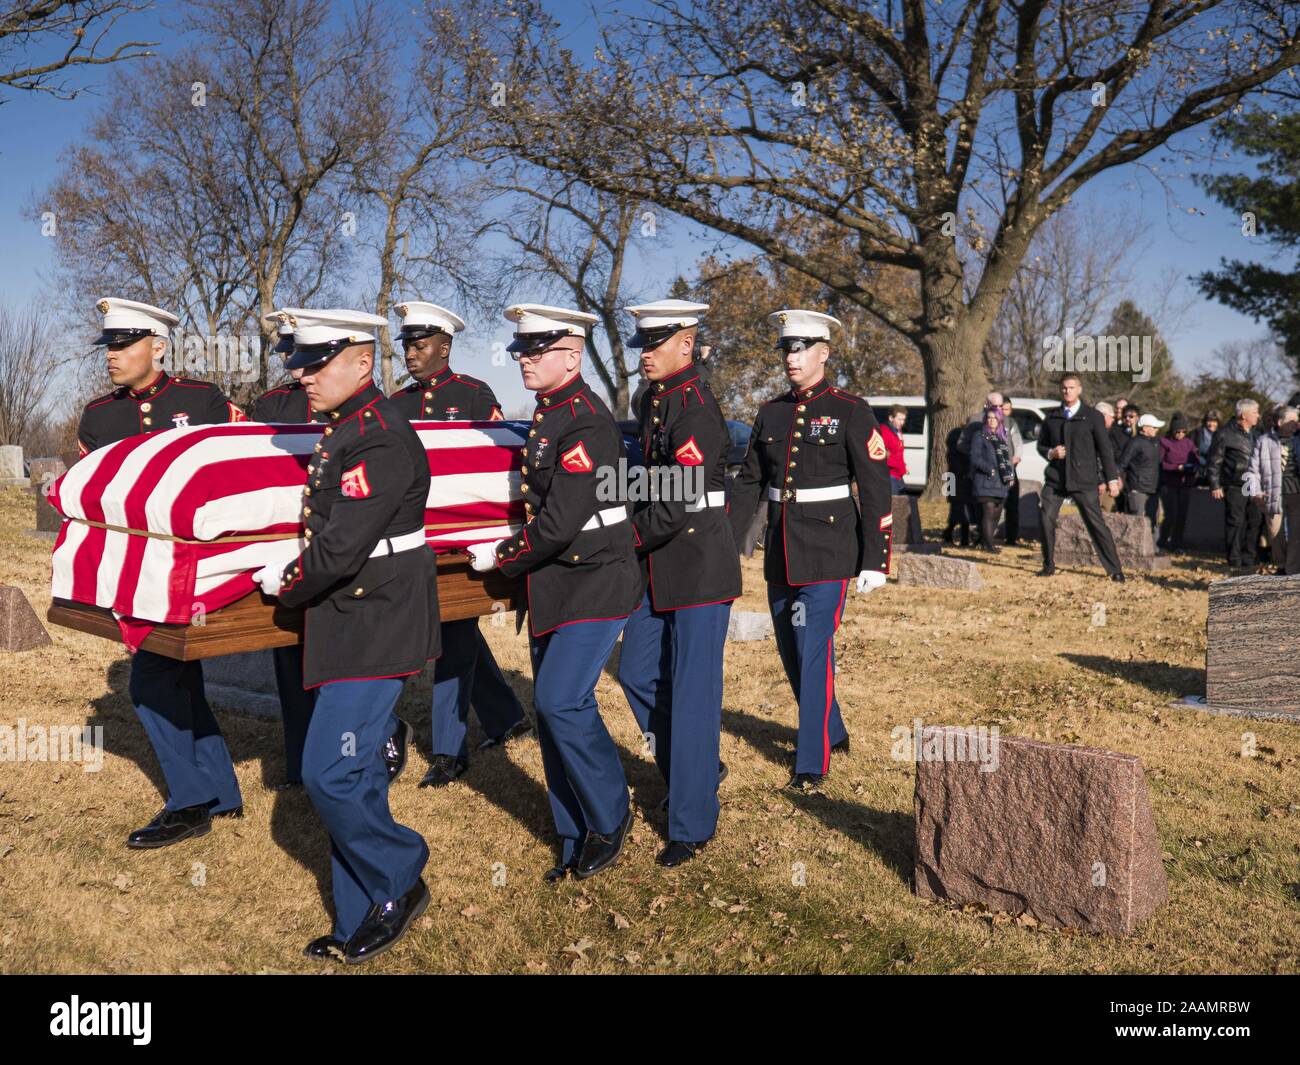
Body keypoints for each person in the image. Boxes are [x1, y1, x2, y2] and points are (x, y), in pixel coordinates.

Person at [255, 308, 438, 964]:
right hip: (349, 616)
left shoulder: (378, 437)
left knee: (325, 771)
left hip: (378, 621)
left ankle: (402, 871)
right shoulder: (345, 428)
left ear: (362, 361)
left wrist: (286, 577)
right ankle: (361, 912)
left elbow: (336, 550)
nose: (302, 374)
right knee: (352, 770)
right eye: (300, 361)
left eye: (317, 360)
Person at [468, 303, 642, 882]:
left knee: (561, 701)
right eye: (521, 350)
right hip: (558, 580)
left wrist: (503, 555)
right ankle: (572, 831)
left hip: (594, 576)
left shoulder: (585, 421)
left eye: (536, 351)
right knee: (551, 711)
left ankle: (611, 814)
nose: (523, 360)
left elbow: (561, 521)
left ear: (571, 356)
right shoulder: (550, 414)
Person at [77, 298, 248, 849]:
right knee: (173, 677)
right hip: (137, 572)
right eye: (109, 347)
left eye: (124, 345)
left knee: (151, 684)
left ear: (158, 346)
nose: (113, 356)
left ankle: (190, 801)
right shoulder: (98, 416)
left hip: (199, 570)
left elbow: (240, 469)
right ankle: (218, 793)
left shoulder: (202, 400)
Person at [728, 309, 892, 789]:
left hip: (830, 550)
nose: (791, 358)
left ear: (823, 353)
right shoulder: (771, 411)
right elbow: (751, 481)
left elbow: (875, 486)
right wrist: (723, 538)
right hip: (782, 547)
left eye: (800, 349)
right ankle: (833, 728)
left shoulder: (850, 409)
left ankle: (812, 761)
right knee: (791, 652)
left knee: (813, 648)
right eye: (786, 349)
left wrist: (875, 558)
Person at [385, 300, 531, 788]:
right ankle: (507, 717)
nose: (410, 352)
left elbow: (494, 469)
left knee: (452, 639)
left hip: (460, 546)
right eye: (406, 344)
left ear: (444, 348)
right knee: (456, 636)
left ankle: (449, 751)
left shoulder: (473, 395)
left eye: (420, 344)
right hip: (411, 539)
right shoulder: (398, 404)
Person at [615, 299, 739, 867]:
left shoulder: (694, 409)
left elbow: (682, 498)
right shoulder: (655, 401)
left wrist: (626, 538)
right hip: (658, 560)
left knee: (691, 696)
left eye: (656, 343)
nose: (645, 354)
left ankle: (691, 822)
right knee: (639, 672)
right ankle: (695, 766)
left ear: (685, 345)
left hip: (696, 565)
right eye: (642, 343)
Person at [1036, 374, 1126, 581]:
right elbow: (1042, 445)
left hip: (1083, 478)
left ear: (1079, 390)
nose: (1067, 391)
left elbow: (1105, 450)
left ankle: (1115, 570)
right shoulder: (1052, 417)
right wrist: (1051, 453)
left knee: (1096, 523)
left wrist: (1112, 479)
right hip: (1056, 479)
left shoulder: (1092, 416)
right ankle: (1048, 565)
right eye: (1064, 388)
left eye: (1071, 387)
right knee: (1046, 517)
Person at [1205, 398, 1262, 571]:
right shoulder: (1224, 433)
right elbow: (1214, 461)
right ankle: (1235, 560)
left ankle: (1249, 558)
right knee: (1235, 522)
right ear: (1244, 415)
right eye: (1255, 412)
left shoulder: (1257, 434)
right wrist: (1214, 484)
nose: (1258, 416)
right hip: (1235, 485)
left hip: (1255, 485)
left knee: (1255, 521)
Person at [1244, 406, 1299, 572]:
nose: (1296, 424)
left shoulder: (1298, 440)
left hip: (1297, 495)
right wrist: (1255, 491)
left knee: (1297, 535)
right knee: (1275, 533)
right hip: (1273, 494)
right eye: (1292, 421)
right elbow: (1252, 470)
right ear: (1280, 422)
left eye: (1297, 421)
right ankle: (1281, 565)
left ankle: (1293, 571)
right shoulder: (1264, 441)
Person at [968, 405, 1014, 553]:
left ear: (1000, 419)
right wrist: (991, 470)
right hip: (985, 481)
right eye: (989, 417)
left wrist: (1009, 475)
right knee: (988, 513)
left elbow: (1007, 459)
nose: (992, 420)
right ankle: (989, 546)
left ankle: (981, 539)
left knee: (996, 514)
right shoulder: (979, 436)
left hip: (1001, 482)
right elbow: (975, 458)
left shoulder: (1002, 437)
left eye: (995, 418)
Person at [1158, 413, 1200, 551]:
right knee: (1171, 515)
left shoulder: (1189, 443)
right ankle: (1162, 542)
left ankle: (1177, 544)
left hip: (1185, 484)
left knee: (1182, 515)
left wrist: (1193, 467)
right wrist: (1176, 467)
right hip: (1169, 484)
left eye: (1183, 431)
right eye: (1178, 431)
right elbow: (1161, 463)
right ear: (1172, 430)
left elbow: (1196, 459)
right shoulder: (1164, 442)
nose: (1181, 434)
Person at [1119, 413, 1163, 536]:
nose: (1156, 430)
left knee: (1153, 521)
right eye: (1154, 427)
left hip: (1153, 489)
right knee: (1136, 522)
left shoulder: (1156, 443)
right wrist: (1118, 480)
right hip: (1138, 489)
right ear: (1144, 428)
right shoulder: (1134, 443)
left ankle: (1154, 549)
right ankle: (1133, 551)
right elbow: (1122, 464)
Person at [1000, 398, 1023, 544]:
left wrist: (1017, 457)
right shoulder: (988, 421)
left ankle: (1011, 538)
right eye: (1003, 409)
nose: (1005, 413)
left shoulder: (1011, 423)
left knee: (1012, 505)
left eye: (1008, 409)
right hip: (994, 470)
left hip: (1010, 469)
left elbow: (1018, 443)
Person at [880, 404, 908, 494]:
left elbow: (898, 452)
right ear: (891, 418)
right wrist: (897, 466)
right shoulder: (884, 431)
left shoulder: (898, 430)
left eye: (903, 419)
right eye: (899, 419)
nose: (902, 422)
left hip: (899, 474)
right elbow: (882, 455)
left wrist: (903, 466)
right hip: (889, 475)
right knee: (893, 503)